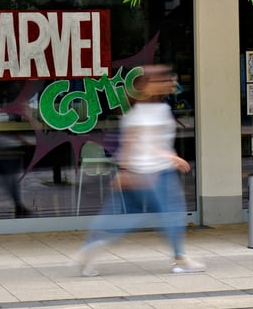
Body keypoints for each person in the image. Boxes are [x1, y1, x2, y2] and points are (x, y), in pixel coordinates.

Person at [72, 64, 205, 276]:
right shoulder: (154, 112)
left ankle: (90, 249)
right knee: (172, 215)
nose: (170, 83)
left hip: (137, 172)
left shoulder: (136, 112)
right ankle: (180, 259)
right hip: (156, 173)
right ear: (150, 86)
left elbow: (129, 144)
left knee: (123, 217)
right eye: (164, 80)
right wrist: (170, 157)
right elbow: (144, 143)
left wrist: (124, 171)